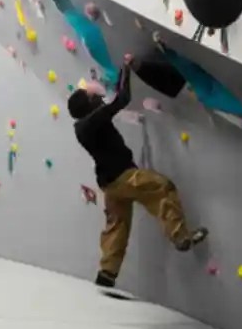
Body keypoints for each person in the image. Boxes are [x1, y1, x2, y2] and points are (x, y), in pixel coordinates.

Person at [68, 64, 208, 289]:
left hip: (110, 184)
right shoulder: (92, 122)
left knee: (117, 226)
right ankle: (180, 236)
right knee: (162, 188)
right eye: (90, 96)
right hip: (123, 177)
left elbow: (111, 102)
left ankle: (106, 274)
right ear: (88, 105)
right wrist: (126, 67)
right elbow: (122, 99)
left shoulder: (83, 127)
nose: (94, 96)